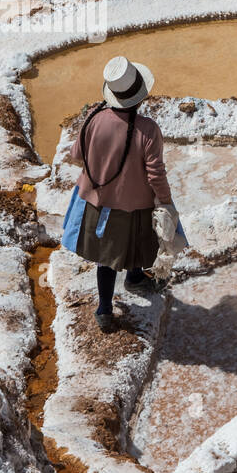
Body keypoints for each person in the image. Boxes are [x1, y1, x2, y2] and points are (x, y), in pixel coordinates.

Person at [61, 56, 176, 334]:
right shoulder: (147, 130)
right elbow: (155, 175)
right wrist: (167, 202)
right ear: (139, 96)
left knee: (107, 256)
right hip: (134, 204)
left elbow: (76, 154)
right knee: (131, 245)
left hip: (97, 204)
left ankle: (110, 303)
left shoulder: (93, 117)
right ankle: (124, 288)